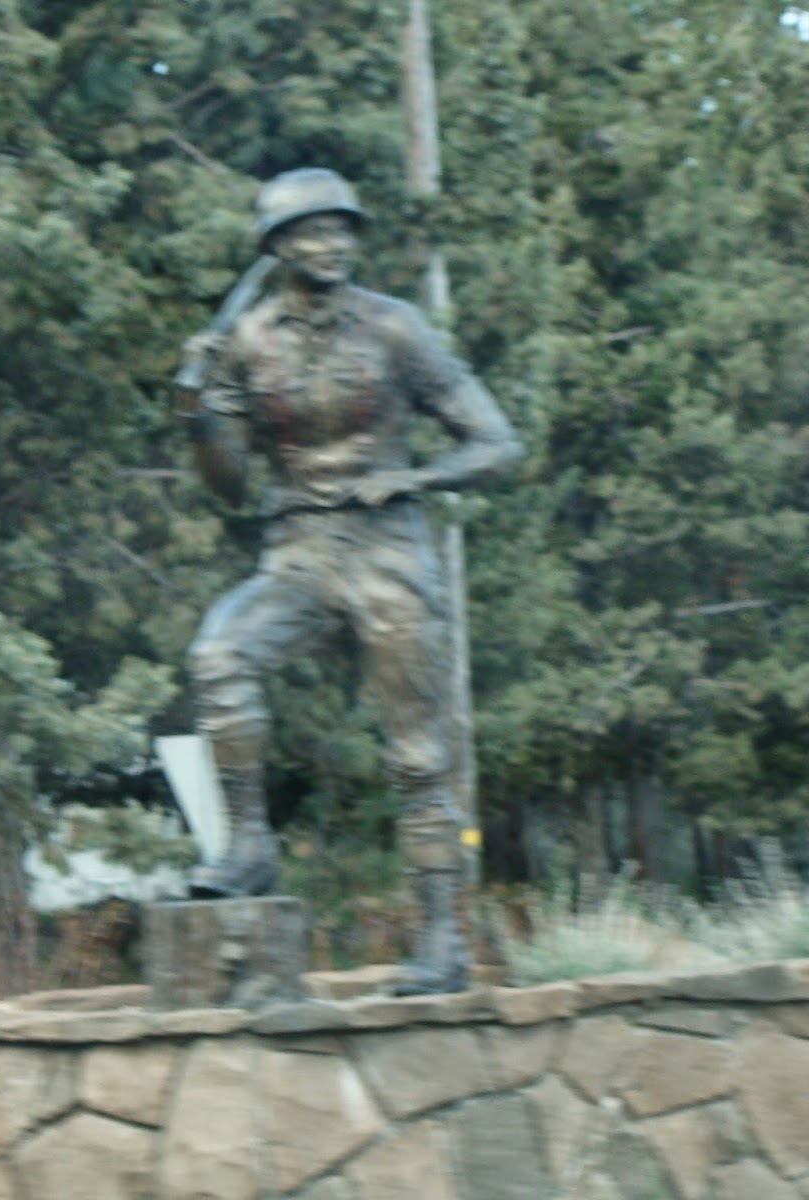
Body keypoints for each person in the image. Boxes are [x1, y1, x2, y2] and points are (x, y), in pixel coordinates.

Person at [181, 167, 522, 994]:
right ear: (275, 247)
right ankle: (251, 843)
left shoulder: (395, 328)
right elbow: (226, 486)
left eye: (341, 230)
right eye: (311, 232)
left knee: (418, 754)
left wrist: (414, 480)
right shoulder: (248, 341)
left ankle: (443, 942)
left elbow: (499, 446)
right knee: (218, 658)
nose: (331, 244)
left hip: (386, 548)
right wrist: (198, 408)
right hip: (297, 550)